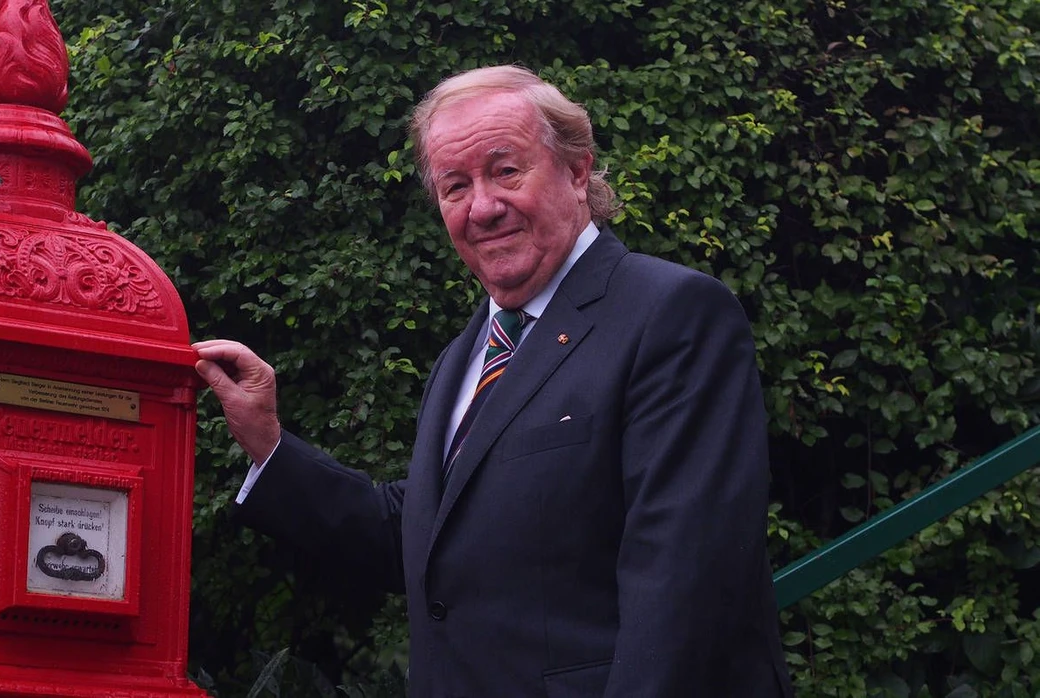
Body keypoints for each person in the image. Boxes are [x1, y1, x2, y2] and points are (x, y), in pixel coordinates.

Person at [194, 65, 794, 697]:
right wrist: (268, 443)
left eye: (506, 171)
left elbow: (684, 587)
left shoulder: (672, 314)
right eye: (455, 186)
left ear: (578, 171)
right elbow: (429, 536)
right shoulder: (464, 356)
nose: (483, 207)